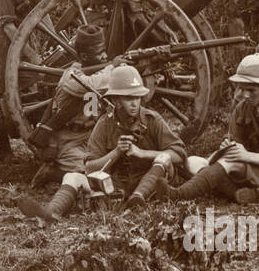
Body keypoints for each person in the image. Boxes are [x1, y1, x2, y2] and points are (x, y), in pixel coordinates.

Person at [174, 54, 259, 204]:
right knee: (192, 162)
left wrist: (245, 156)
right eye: (242, 89)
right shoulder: (242, 108)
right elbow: (234, 140)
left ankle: (181, 194)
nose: (245, 95)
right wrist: (228, 146)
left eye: (251, 90)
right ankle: (240, 193)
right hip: (244, 168)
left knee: (231, 162)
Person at [23, 26, 110, 220]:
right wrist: (116, 67)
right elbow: (93, 86)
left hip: (90, 137)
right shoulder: (71, 76)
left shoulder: (100, 72)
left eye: (105, 51)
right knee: (88, 173)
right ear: (85, 58)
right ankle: (54, 172)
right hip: (67, 140)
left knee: (111, 167)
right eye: (99, 53)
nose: (105, 56)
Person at [76, 66, 186, 211]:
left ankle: (139, 196)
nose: (135, 103)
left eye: (138, 97)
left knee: (164, 158)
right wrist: (116, 152)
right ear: (116, 100)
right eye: (129, 98)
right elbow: (90, 168)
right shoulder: (105, 124)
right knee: (75, 178)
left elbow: (179, 155)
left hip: (150, 181)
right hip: (118, 184)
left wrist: (142, 153)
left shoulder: (152, 120)